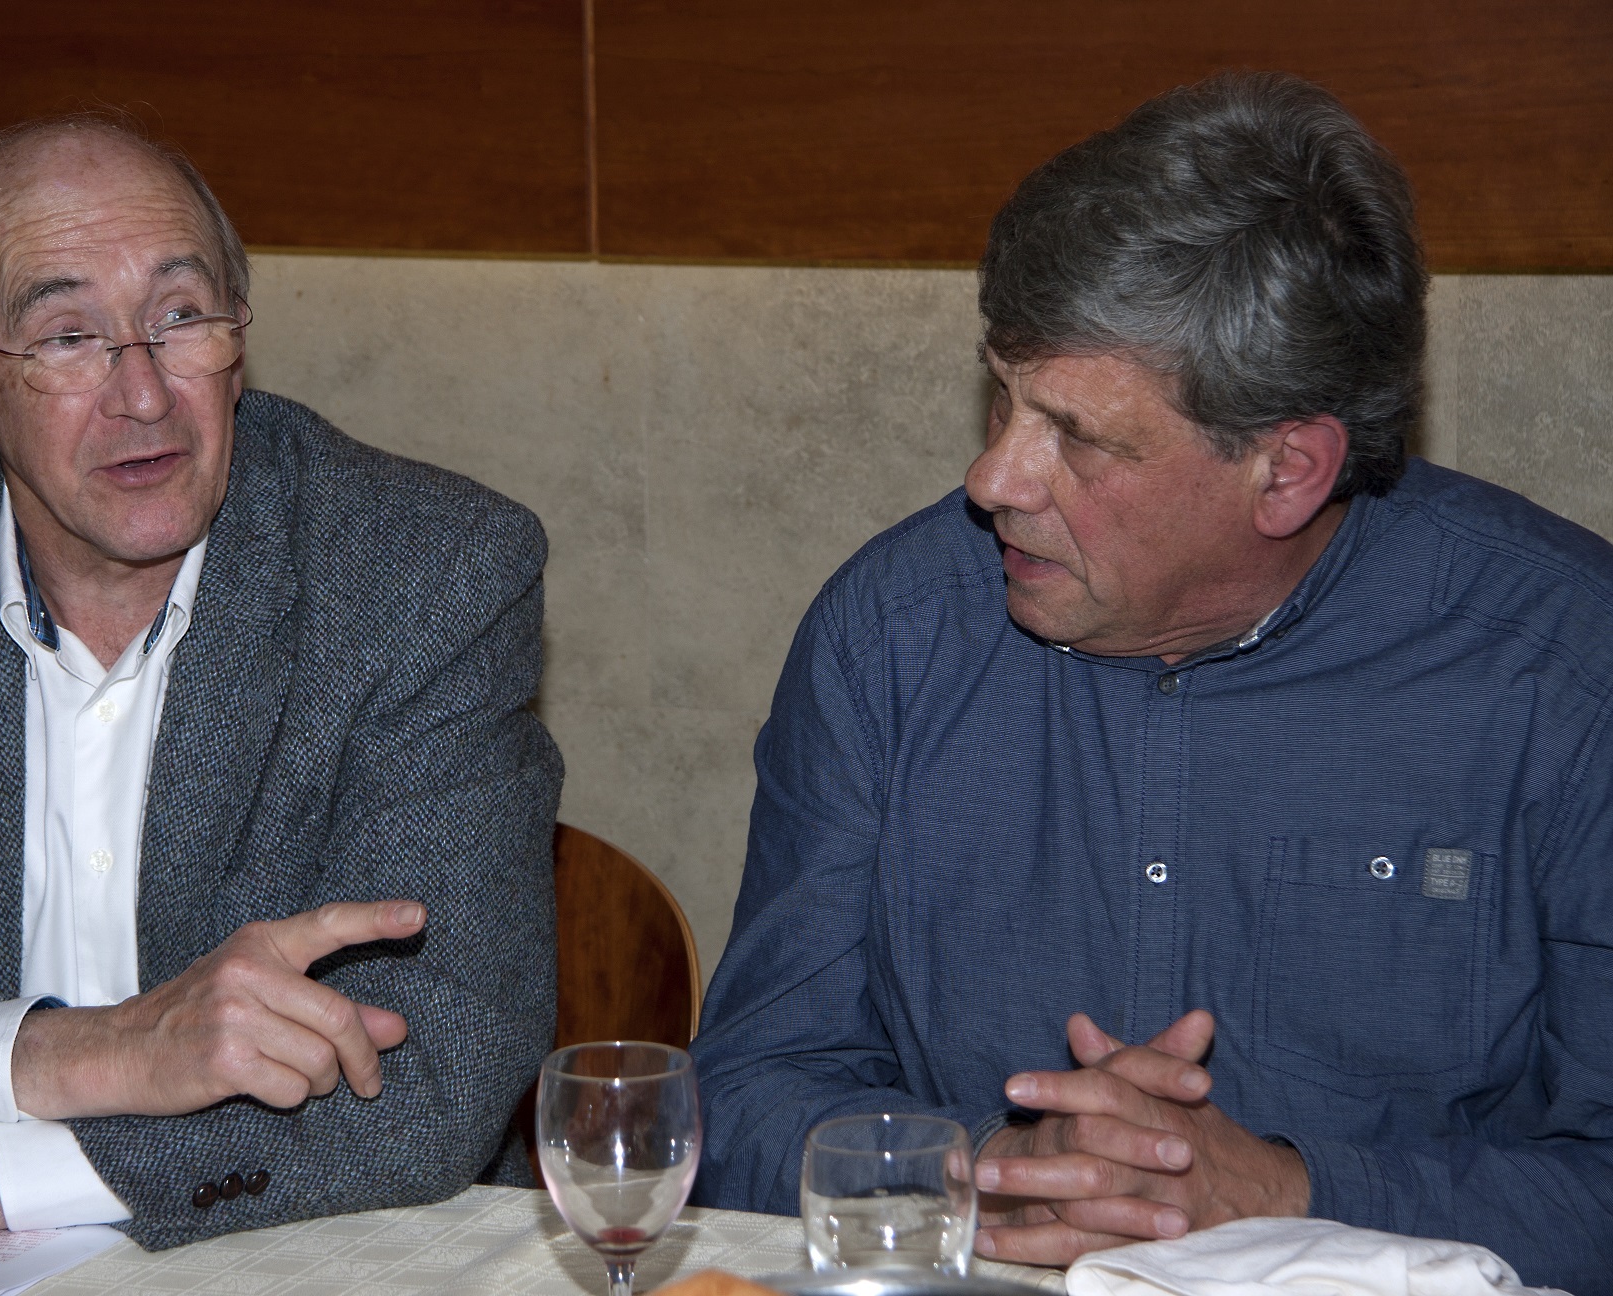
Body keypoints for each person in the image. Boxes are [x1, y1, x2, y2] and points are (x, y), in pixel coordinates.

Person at [688, 72, 1613, 1292]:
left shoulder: (1562, 674)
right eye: (1005, 397)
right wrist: (992, 1168)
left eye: (1077, 434)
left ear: (1286, 471)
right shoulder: (896, 636)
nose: (992, 476)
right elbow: (743, 1097)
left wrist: (1292, 1193)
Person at [0, 115, 563, 1251]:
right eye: (68, 336)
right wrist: (84, 1053)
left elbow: (433, 1078)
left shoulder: (421, 574)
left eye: (180, 318)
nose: (143, 395)